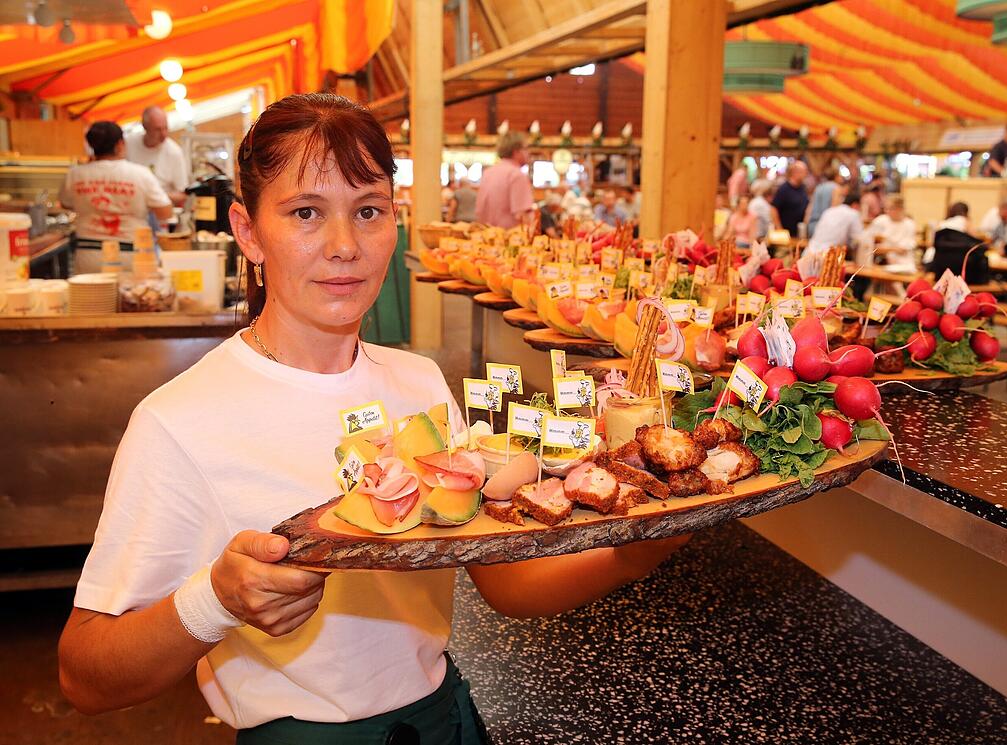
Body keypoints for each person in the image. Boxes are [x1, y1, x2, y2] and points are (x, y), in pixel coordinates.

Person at [57, 94, 688, 742]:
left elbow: (504, 580)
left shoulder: (416, 382)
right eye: (306, 212)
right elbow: (85, 673)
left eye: (368, 211)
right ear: (248, 231)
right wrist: (215, 599)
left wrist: (633, 555)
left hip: (443, 722)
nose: (345, 245)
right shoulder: (179, 421)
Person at [59, 121, 173, 274]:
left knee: (89, 297)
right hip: (131, 255)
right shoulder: (140, 174)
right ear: (120, 144)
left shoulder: (75, 174)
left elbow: (65, 203)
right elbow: (166, 213)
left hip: (88, 255)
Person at [124, 106, 190, 207]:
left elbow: (183, 194)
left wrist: (154, 195)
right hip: (131, 206)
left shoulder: (174, 152)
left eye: (166, 128)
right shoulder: (128, 143)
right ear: (144, 127)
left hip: (160, 210)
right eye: (157, 129)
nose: (164, 134)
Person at [475, 131, 534, 228]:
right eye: (526, 149)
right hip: (509, 238)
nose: (529, 153)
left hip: (486, 234)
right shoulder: (517, 175)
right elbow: (522, 215)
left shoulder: (488, 173)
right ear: (516, 151)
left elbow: (480, 210)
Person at [861, 195, 918, 272]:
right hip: (881, 261)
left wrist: (885, 248)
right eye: (886, 208)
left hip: (904, 263)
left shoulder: (909, 224)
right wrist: (892, 249)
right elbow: (868, 244)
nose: (887, 211)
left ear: (900, 209)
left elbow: (903, 250)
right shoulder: (880, 220)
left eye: (891, 208)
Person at [771, 160, 809, 237]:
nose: (806, 174)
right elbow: (773, 209)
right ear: (795, 172)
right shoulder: (784, 189)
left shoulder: (803, 188)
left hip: (799, 232)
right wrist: (780, 229)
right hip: (785, 232)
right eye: (804, 172)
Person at [805, 166, 841, 238]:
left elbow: (809, 209)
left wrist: (806, 225)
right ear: (836, 176)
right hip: (826, 227)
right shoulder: (836, 188)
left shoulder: (819, 187)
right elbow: (834, 210)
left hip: (812, 226)